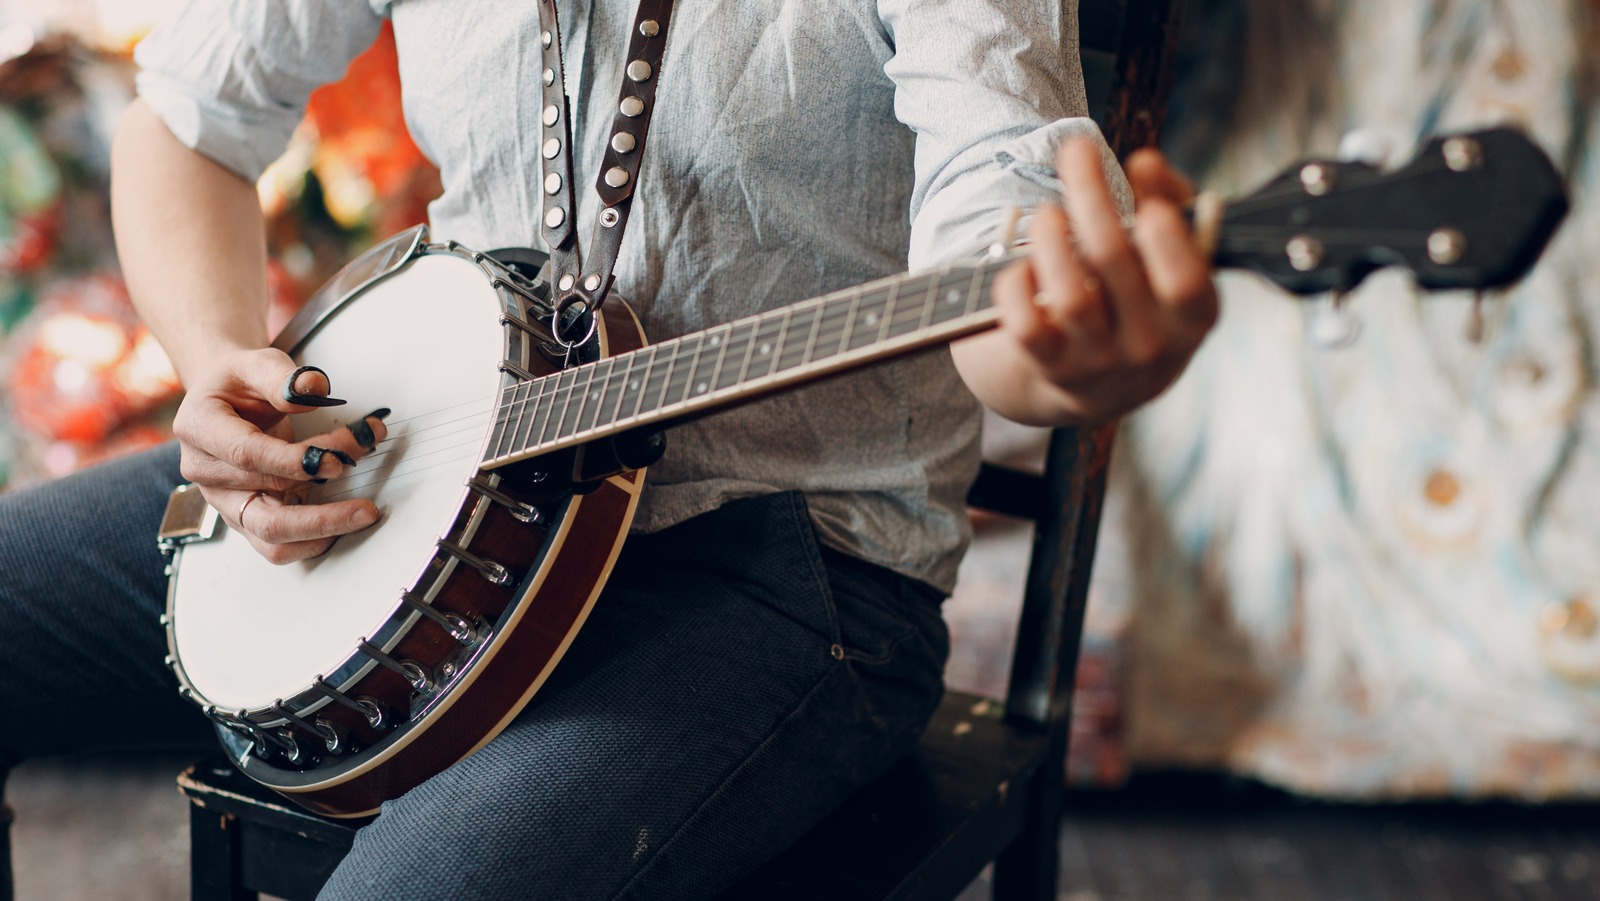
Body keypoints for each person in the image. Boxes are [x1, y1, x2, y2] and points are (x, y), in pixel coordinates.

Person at [0, 1, 1217, 898]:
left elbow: (1001, 248)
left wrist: (1086, 351)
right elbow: (187, 126)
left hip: (787, 571)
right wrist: (217, 353)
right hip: (417, 462)